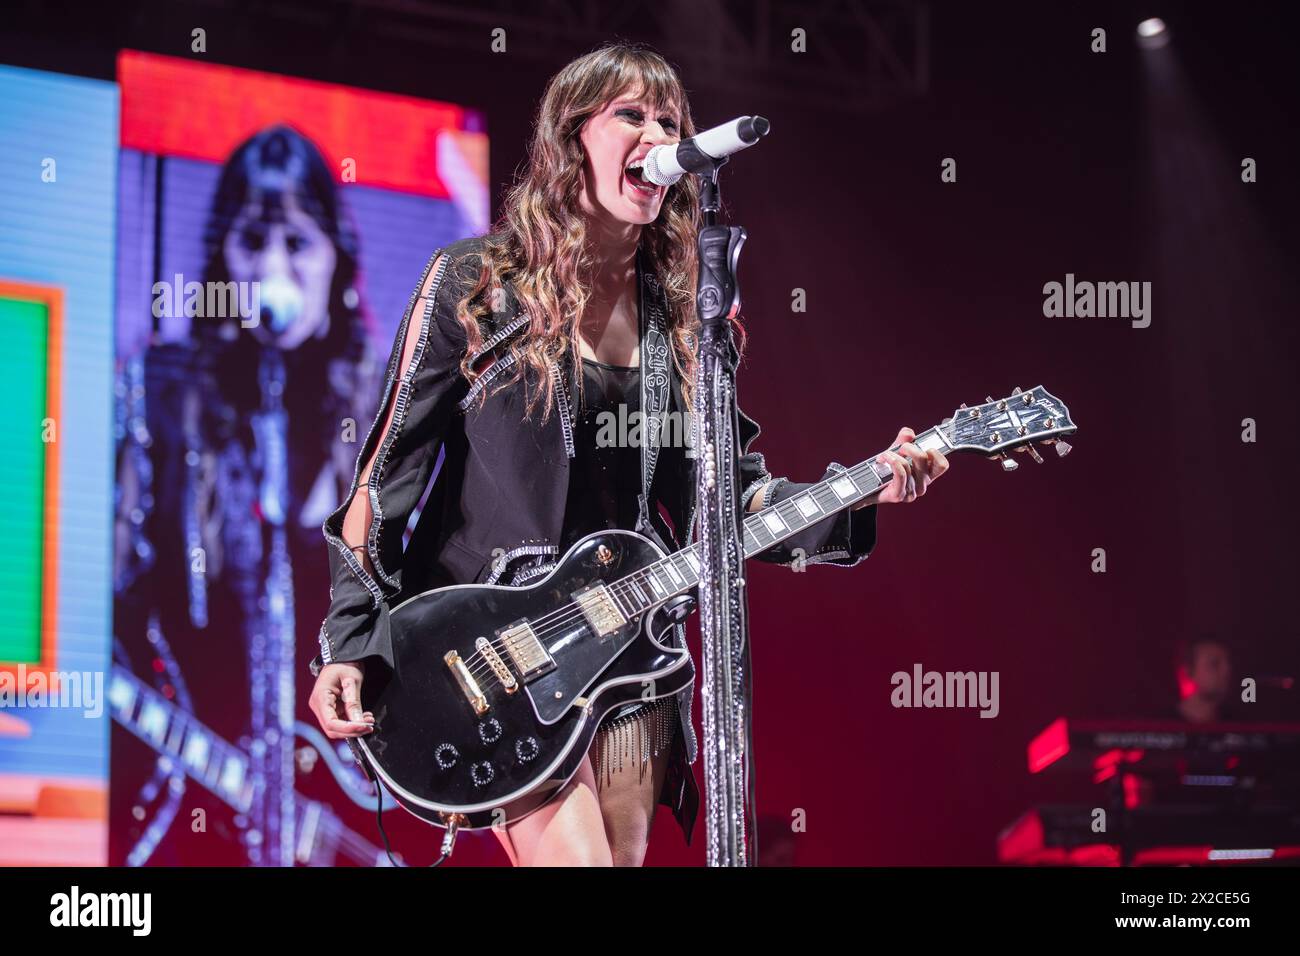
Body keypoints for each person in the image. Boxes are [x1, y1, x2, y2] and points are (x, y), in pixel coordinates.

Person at [307, 42, 948, 867]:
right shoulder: (476, 285)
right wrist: (352, 641)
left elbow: (728, 499)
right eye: (631, 115)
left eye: (671, 121)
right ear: (571, 136)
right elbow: (387, 474)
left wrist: (863, 493)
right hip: (496, 649)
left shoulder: (684, 323)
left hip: (629, 655)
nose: (656, 134)